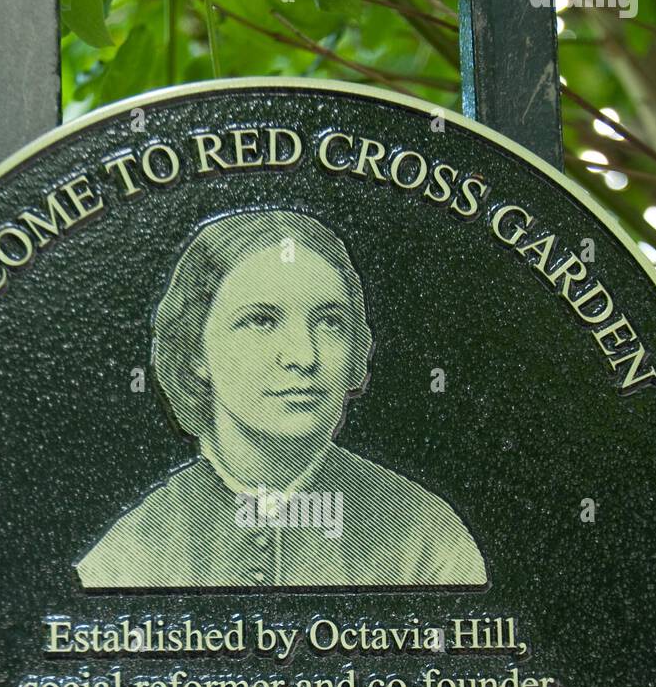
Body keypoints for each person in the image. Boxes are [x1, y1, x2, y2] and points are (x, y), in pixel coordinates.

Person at [76, 208, 487, 588]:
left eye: (329, 323)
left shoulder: (425, 537)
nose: (303, 356)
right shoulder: (130, 557)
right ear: (197, 349)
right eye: (261, 321)